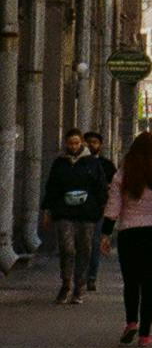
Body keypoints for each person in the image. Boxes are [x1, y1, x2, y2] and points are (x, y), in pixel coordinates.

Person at [102, 131, 152, 344]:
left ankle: (131, 322)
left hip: (129, 232)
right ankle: (145, 335)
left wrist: (105, 233)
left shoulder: (124, 173)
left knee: (131, 281)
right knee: (151, 283)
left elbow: (113, 206)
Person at [40, 129, 110, 303]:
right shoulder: (60, 163)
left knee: (84, 249)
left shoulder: (92, 163)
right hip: (65, 212)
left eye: (77, 143)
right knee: (67, 248)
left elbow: (101, 187)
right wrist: (47, 210)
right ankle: (66, 283)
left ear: (82, 144)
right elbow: (52, 188)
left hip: (86, 214)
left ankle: (79, 287)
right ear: (66, 143)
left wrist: (101, 208)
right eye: (70, 143)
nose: (73, 146)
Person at [81, 129, 109, 291]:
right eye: (88, 142)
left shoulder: (106, 165)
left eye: (95, 142)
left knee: (93, 243)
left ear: (101, 145)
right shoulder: (74, 163)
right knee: (78, 244)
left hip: (97, 210)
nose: (91, 145)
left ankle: (91, 277)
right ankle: (77, 277)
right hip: (77, 211)